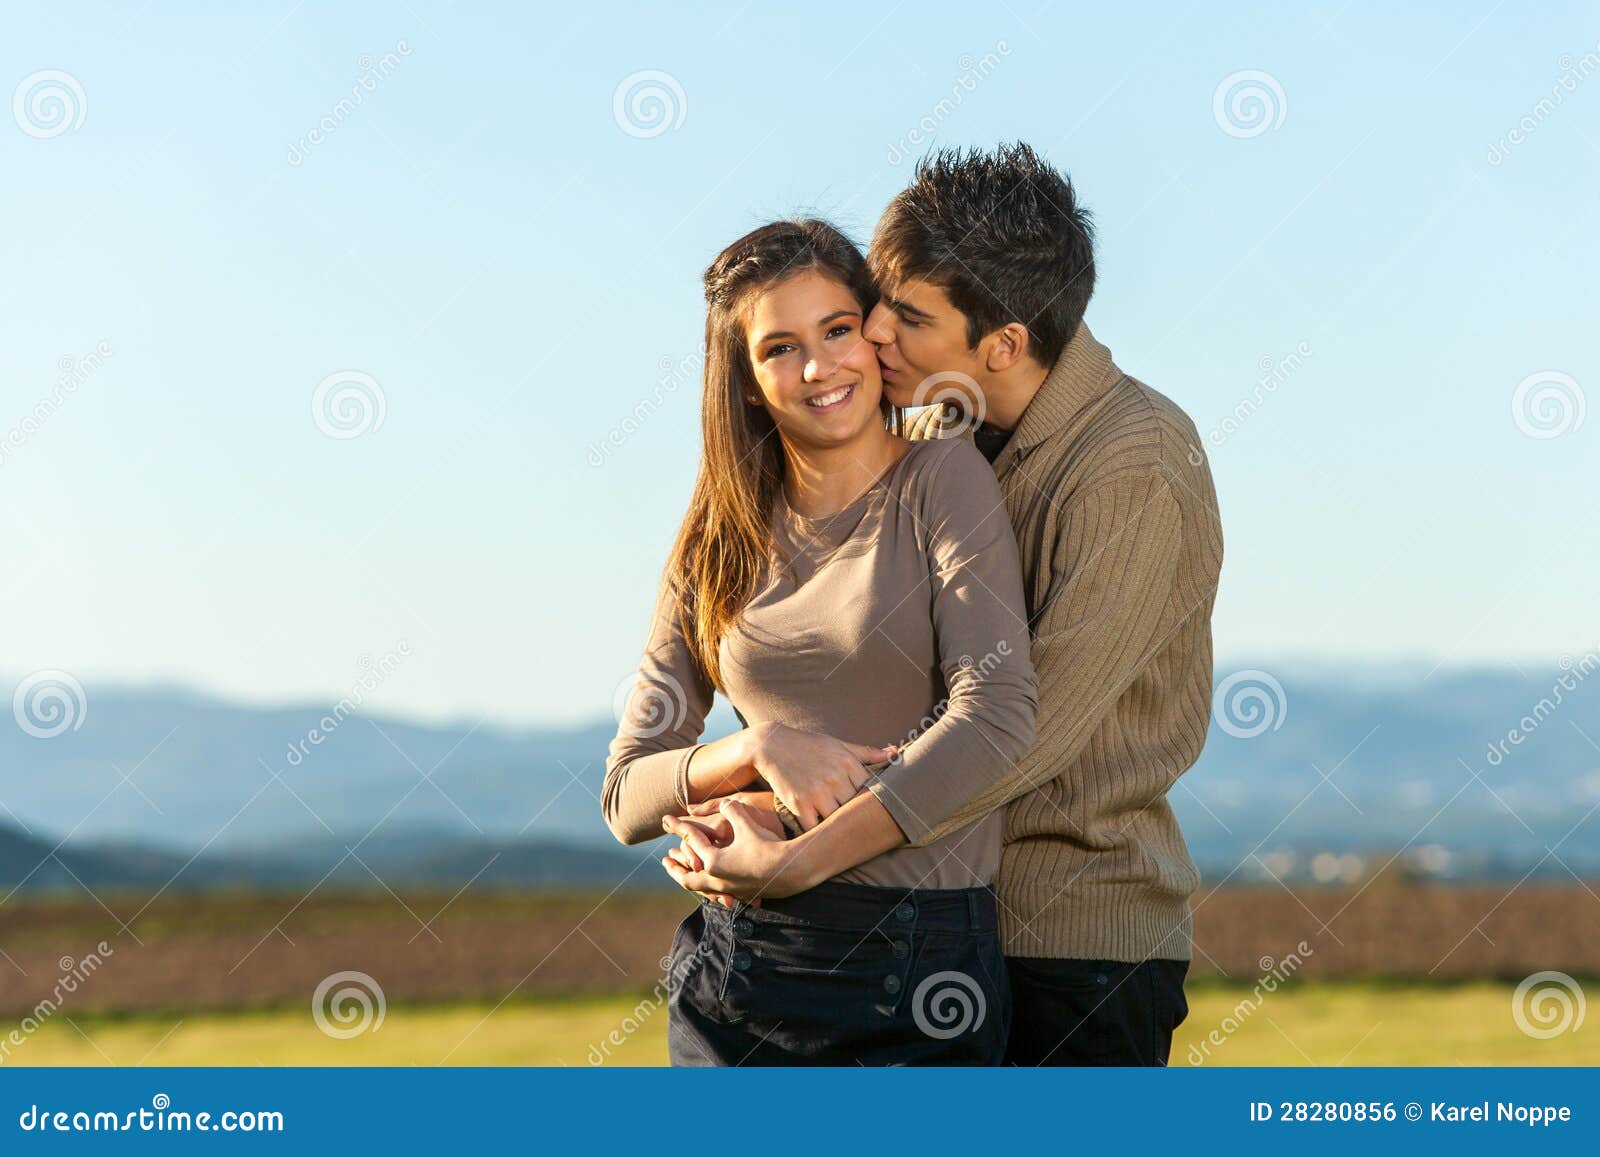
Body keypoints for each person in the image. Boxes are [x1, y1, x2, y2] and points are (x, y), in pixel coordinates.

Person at [664, 144, 1225, 1067]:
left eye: (908, 317)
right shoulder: (937, 426)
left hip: (1071, 948)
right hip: (924, 925)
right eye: (877, 302)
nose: (873, 333)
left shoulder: (1137, 461)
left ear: (1002, 343)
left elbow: (1019, 730)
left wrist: (796, 843)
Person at [602, 218, 1037, 1066]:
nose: (818, 367)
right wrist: (760, 747)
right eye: (779, 348)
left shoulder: (945, 480)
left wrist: (799, 861)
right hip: (736, 973)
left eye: (837, 329)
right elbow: (626, 793)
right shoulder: (713, 536)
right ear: (746, 377)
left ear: (873, 334)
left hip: (916, 974)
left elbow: (997, 718)